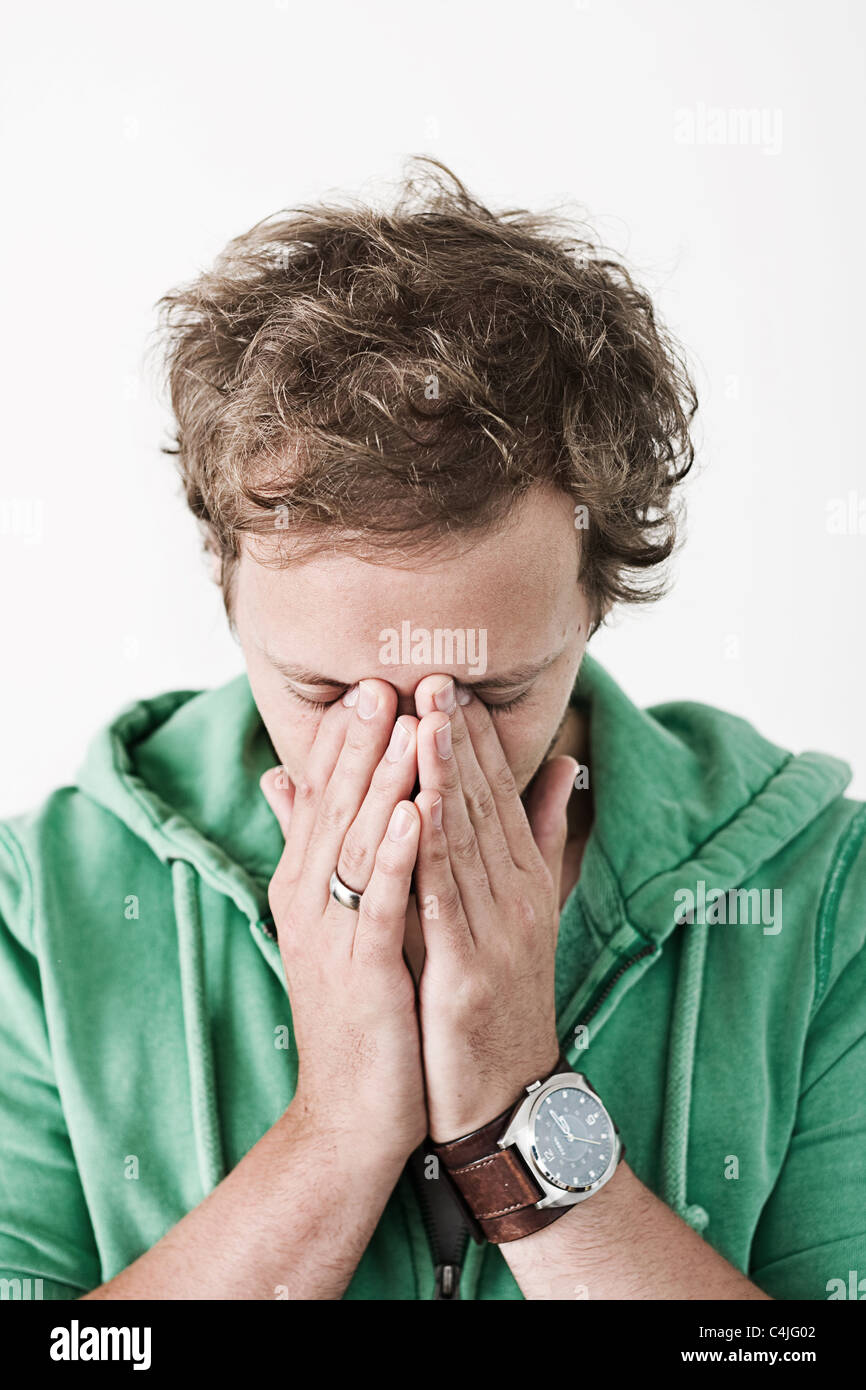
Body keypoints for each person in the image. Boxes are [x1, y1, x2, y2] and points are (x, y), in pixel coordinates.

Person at [1, 160, 863, 1302]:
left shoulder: (820, 894)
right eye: (323, 694)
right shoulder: (42, 910)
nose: (414, 761)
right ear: (225, 581)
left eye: (494, 693)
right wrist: (338, 1126)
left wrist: (516, 1109)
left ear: (593, 596)